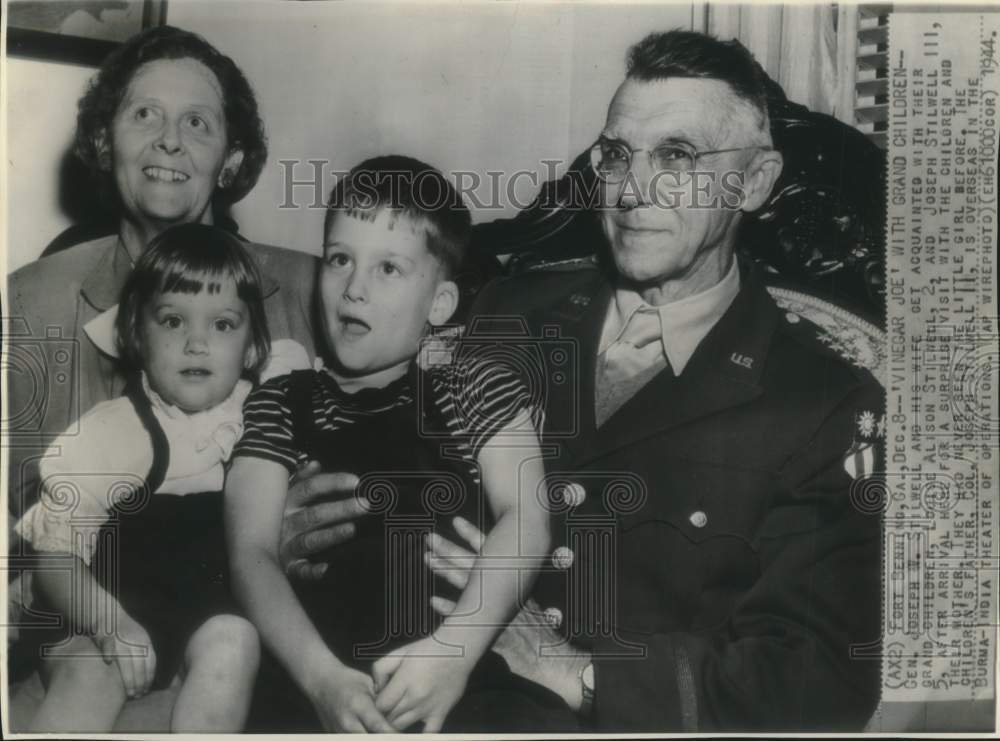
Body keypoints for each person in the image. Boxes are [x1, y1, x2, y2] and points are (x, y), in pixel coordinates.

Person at [282, 30, 885, 732]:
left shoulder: (824, 404)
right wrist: (288, 530)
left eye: (677, 156)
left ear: (752, 182)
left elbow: (812, 677)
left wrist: (579, 673)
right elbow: (395, 474)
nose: (633, 190)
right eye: (616, 155)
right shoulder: (509, 312)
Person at [5, 25, 317, 729]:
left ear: (230, 159)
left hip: (246, 648)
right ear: (104, 140)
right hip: (83, 638)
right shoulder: (28, 301)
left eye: (198, 123)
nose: (169, 140)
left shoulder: (310, 292)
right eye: (144, 113)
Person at [225, 155, 573, 733]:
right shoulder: (278, 400)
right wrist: (321, 681)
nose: (353, 289)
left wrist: (452, 655)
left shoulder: (473, 385)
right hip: (314, 674)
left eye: (388, 269)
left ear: (439, 304)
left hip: (451, 672)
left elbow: (527, 516)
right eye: (340, 259)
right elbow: (250, 553)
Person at [12, 225, 285, 731]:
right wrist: (107, 621)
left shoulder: (265, 417)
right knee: (95, 673)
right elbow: (54, 554)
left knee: (236, 640)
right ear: (137, 333)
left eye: (223, 325)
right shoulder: (114, 430)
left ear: (253, 346)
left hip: (202, 622)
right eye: (174, 320)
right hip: (102, 616)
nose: (197, 343)